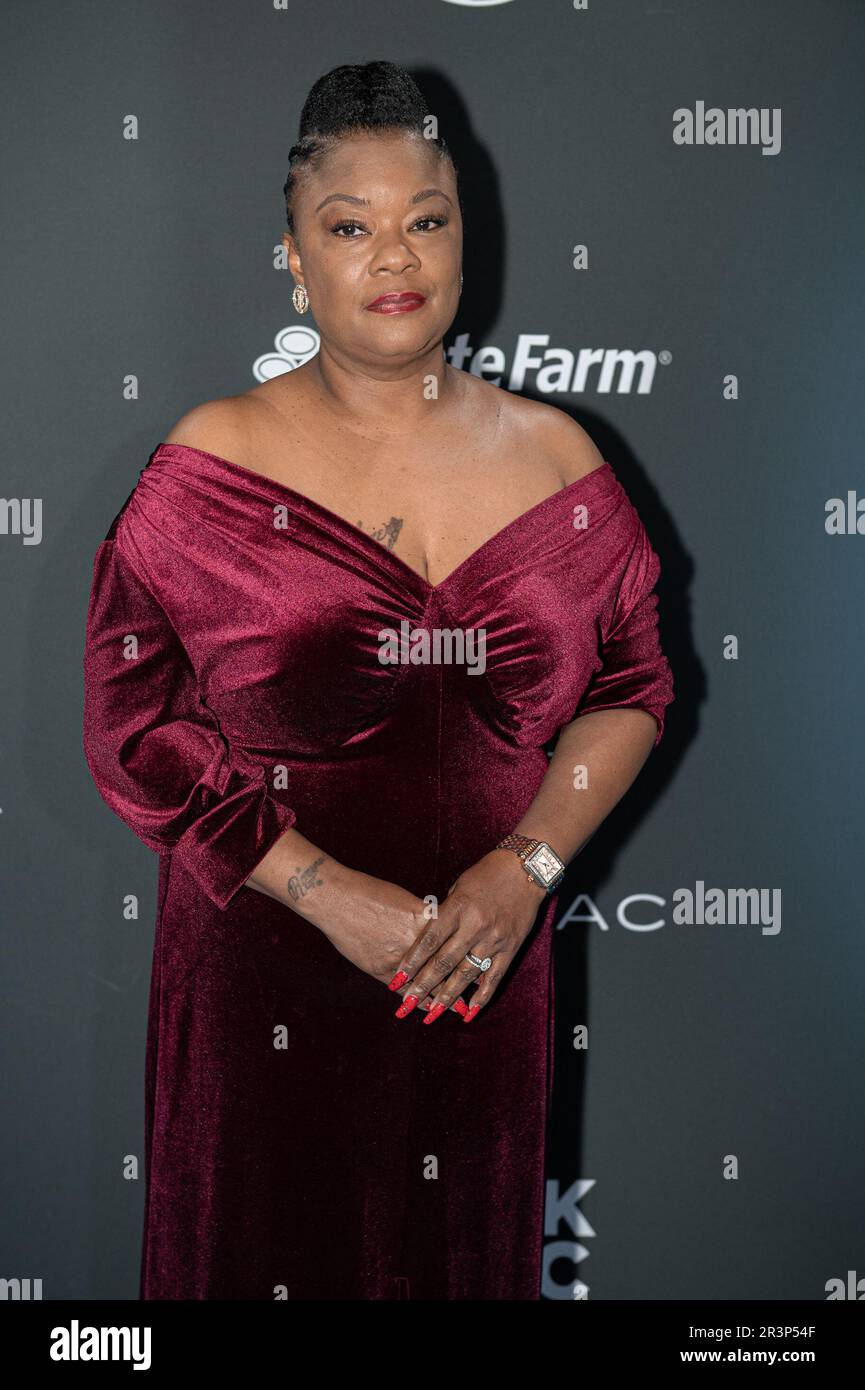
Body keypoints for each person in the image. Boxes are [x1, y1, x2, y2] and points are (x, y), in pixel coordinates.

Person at [82, 60, 674, 1300]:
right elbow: (135, 728)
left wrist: (530, 869)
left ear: (466, 241)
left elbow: (631, 684)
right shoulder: (209, 462)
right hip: (263, 984)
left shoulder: (562, 459)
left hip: (480, 977)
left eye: (425, 220)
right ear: (292, 258)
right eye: (348, 226)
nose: (392, 255)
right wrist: (327, 891)